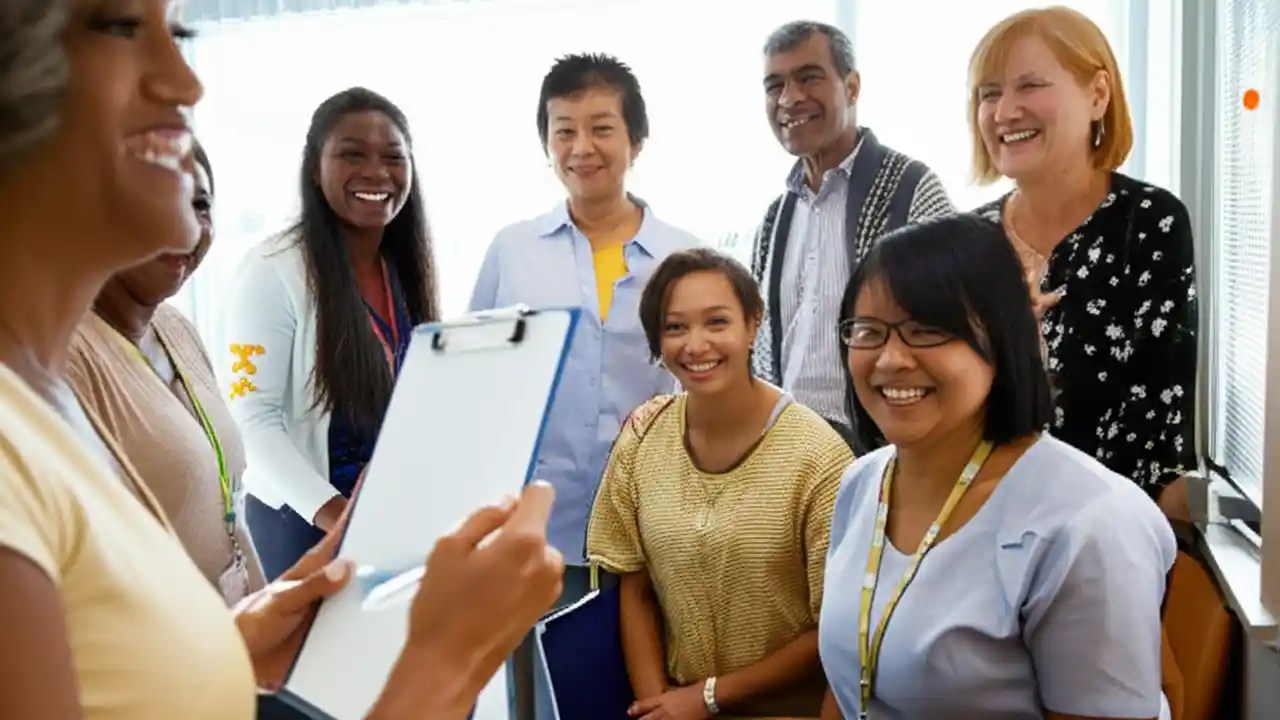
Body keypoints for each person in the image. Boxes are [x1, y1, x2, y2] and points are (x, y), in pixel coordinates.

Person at [0, 2, 561, 718]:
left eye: (178, 35)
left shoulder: (57, 400)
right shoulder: (272, 272)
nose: (186, 83)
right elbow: (258, 419)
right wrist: (446, 664)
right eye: (118, 27)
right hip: (316, 517)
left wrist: (228, 647)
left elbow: (112, 672)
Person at [817, 215, 1174, 719]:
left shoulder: (1088, 522)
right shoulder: (862, 482)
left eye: (927, 330)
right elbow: (852, 683)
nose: (891, 359)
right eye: (868, 332)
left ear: (1002, 340)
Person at [468, 52, 700, 718]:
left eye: (600, 127)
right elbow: (476, 381)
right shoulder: (512, 250)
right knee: (541, 700)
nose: (581, 147)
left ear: (636, 140)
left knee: (644, 697)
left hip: (656, 526)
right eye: (563, 130)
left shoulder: (683, 255)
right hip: (539, 528)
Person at [587, 248, 851, 719]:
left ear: (753, 325)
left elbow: (838, 626)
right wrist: (659, 707)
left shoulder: (819, 457)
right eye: (675, 327)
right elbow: (635, 584)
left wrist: (707, 698)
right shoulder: (642, 437)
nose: (696, 344)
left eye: (716, 322)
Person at [967, 7, 1197, 518]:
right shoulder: (969, 244)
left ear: (1098, 95)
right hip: (980, 527)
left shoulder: (1150, 221)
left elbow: (1159, 420)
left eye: (1030, 86)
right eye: (989, 94)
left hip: (1111, 533)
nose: (1004, 112)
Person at [224, 87, 441, 580]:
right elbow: (250, 417)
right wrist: (336, 516)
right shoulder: (271, 269)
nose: (376, 173)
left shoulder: (404, 270)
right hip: (302, 523)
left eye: (393, 157)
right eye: (351, 154)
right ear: (314, 168)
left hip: (387, 524)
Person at [65, 140, 266, 606]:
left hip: (236, 639)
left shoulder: (176, 328)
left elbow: (227, 506)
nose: (185, 227)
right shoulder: (67, 356)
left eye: (200, 204)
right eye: (157, 200)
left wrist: (267, 603)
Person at [752, 21, 954, 443]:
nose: (790, 98)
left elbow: (952, 327)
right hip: (787, 452)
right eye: (775, 85)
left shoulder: (911, 188)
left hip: (885, 450)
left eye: (809, 77)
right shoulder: (774, 219)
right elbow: (762, 352)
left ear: (852, 87)